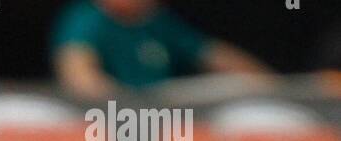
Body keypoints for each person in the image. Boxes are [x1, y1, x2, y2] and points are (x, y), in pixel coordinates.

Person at [51, 0, 273, 99]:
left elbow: (215, 55)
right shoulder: (86, 18)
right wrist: (133, 106)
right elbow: (79, 77)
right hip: (114, 123)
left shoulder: (157, 22)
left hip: (163, 120)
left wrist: (280, 88)